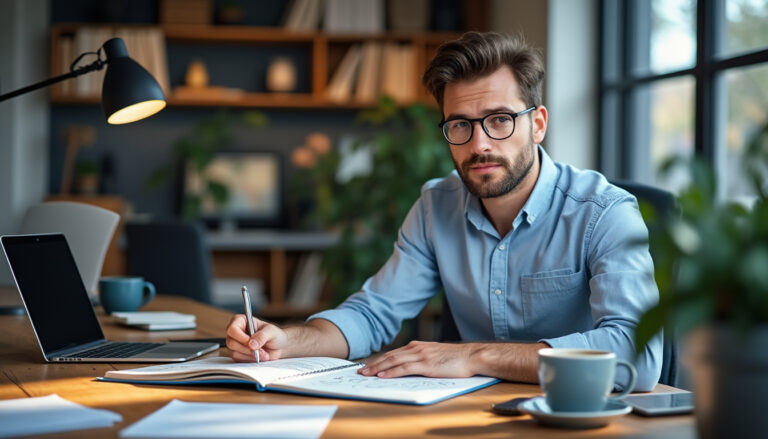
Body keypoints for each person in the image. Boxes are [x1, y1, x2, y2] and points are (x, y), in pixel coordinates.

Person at [226, 31, 662, 391]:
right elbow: (372, 314)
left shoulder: (603, 213)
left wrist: (474, 355)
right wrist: (288, 340)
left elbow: (636, 356)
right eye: (460, 125)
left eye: (499, 120)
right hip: (472, 415)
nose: (480, 145)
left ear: (539, 124)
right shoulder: (437, 207)